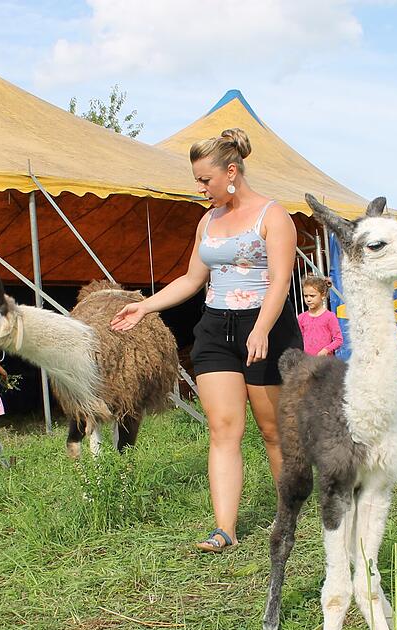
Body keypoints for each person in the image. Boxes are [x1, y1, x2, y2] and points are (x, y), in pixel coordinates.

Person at [110, 128, 302, 552]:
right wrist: (145, 306)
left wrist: (261, 328)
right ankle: (225, 529)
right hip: (216, 329)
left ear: (231, 172)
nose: (199, 189)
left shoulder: (273, 216)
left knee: (274, 431)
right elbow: (193, 278)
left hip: (266, 327)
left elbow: (280, 282)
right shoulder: (207, 221)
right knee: (223, 429)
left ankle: (288, 517)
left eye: (205, 180)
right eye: (197, 180)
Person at [297, 275, 343, 356]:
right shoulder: (301, 317)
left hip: (325, 363)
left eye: (312, 296)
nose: (308, 299)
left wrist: (326, 350)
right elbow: (298, 340)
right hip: (308, 362)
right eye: (305, 296)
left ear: (323, 295)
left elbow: (338, 340)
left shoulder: (329, 316)